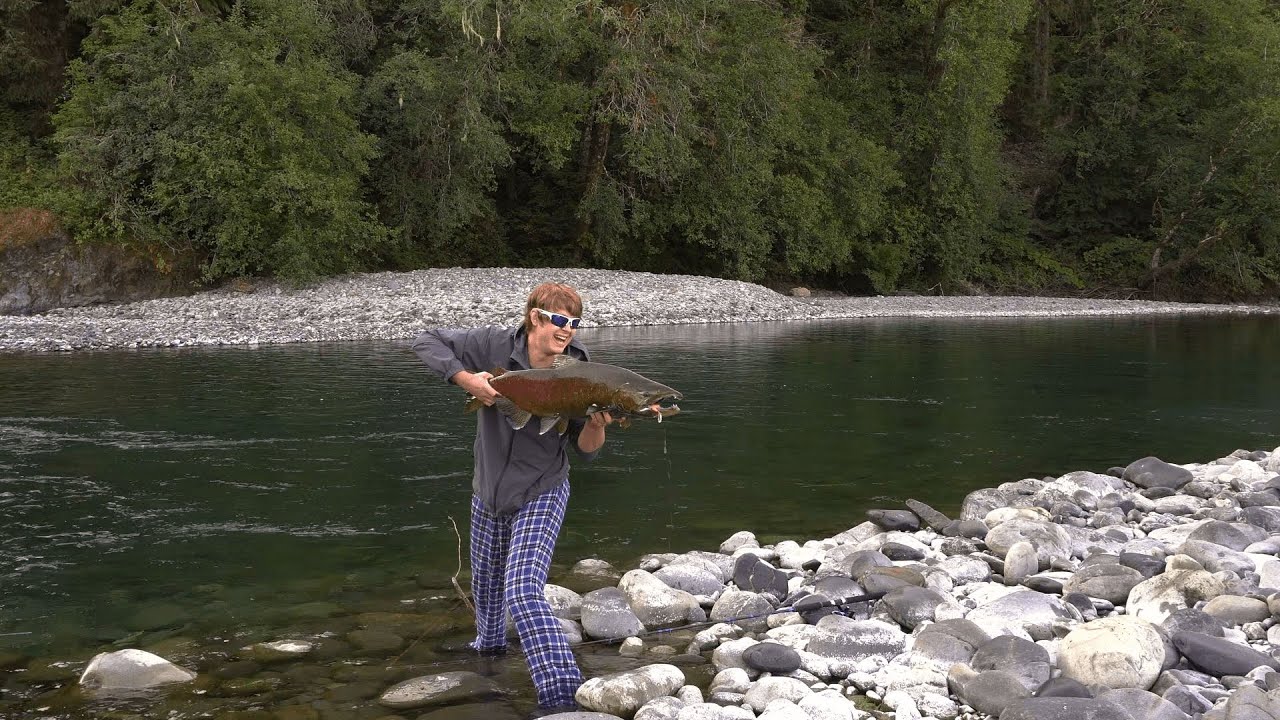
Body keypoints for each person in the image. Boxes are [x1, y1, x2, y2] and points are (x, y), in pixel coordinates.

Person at [411, 282, 611, 715]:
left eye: (575, 322)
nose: (568, 330)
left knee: (521, 590)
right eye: (560, 320)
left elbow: (586, 448)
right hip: (488, 491)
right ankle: (489, 658)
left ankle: (561, 696)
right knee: (485, 590)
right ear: (535, 316)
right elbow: (425, 340)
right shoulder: (491, 345)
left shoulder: (579, 368)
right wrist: (468, 380)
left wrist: (597, 424)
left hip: (543, 488)